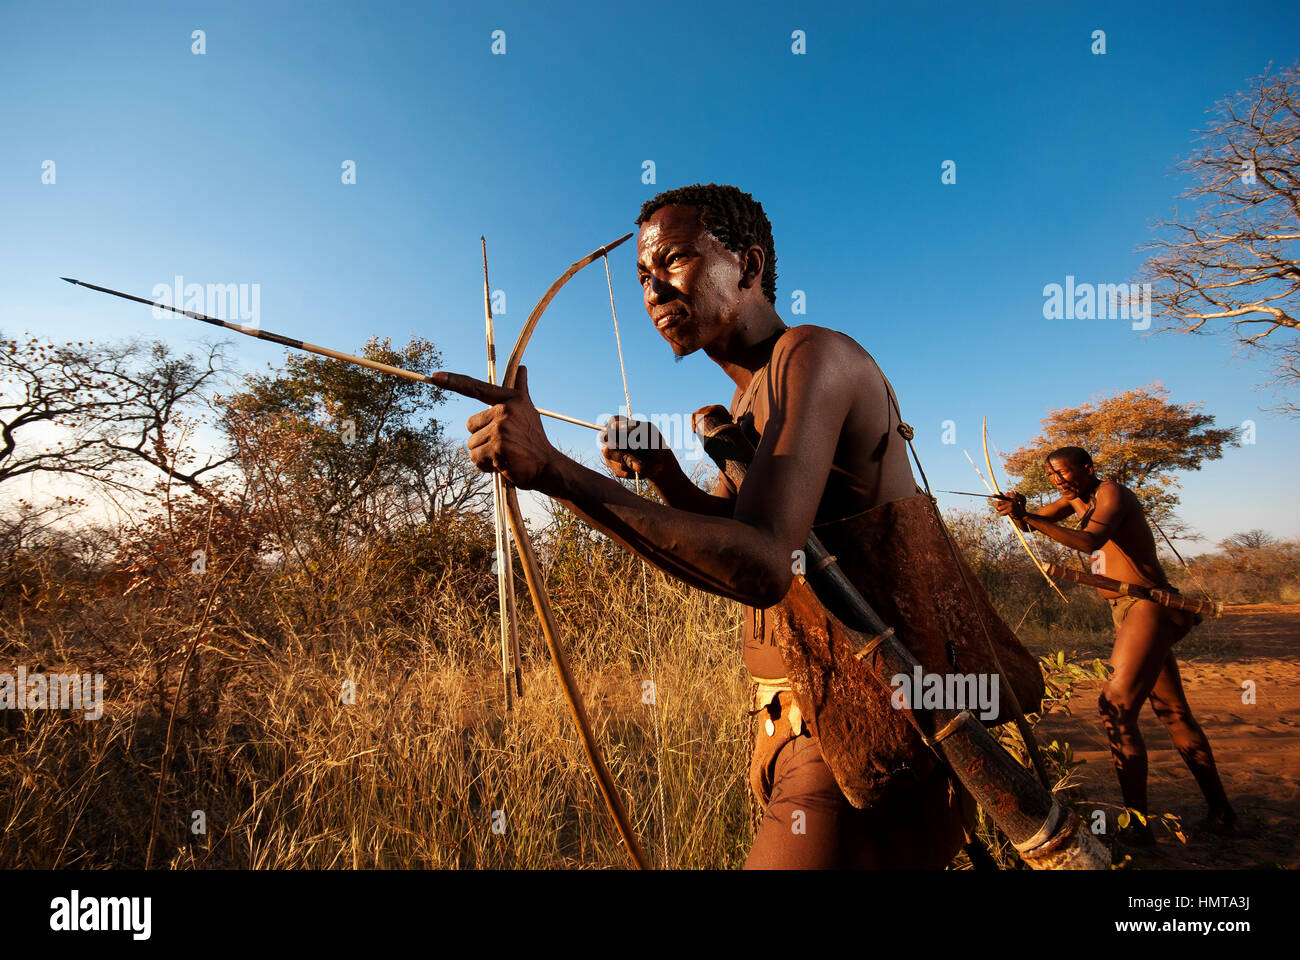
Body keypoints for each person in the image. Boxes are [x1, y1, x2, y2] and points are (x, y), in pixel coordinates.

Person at [434, 183, 1041, 868]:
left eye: (674, 261)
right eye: (641, 276)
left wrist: (552, 471)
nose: (653, 290)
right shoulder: (747, 397)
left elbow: (763, 565)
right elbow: (746, 528)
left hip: (868, 719)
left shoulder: (812, 356)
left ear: (748, 267)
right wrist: (664, 474)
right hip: (807, 716)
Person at [995, 446, 1236, 840]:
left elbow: (1090, 541)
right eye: (1051, 475)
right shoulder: (1075, 499)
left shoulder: (1112, 493)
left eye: (1064, 472)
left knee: (1116, 706)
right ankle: (1224, 815)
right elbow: (1034, 523)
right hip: (1128, 609)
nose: (1058, 480)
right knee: (1174, 713)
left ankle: (1137, 828)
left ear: (1087, 468)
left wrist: (1028, 519)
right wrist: (1018, 510)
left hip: (1150, 605)